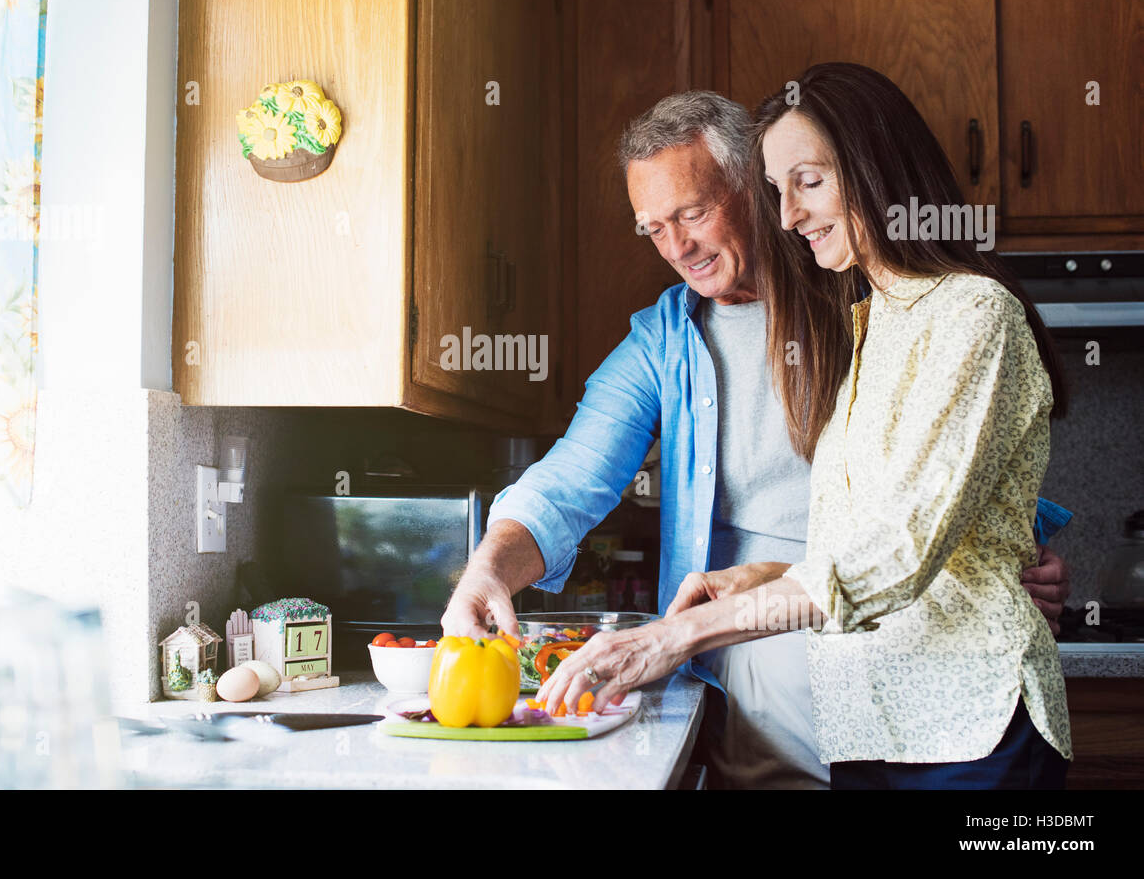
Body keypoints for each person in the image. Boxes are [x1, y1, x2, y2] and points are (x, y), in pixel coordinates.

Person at [441, 89, 1071, 788]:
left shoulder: (868, 298)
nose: (677, 247)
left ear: (751, 186)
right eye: (653, 227)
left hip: (907, 676)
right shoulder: (667, 340)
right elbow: (569, 480)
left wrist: (1018, 557)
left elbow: (941, 483)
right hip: (760, 684)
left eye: (692, 212)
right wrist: (487, 571)